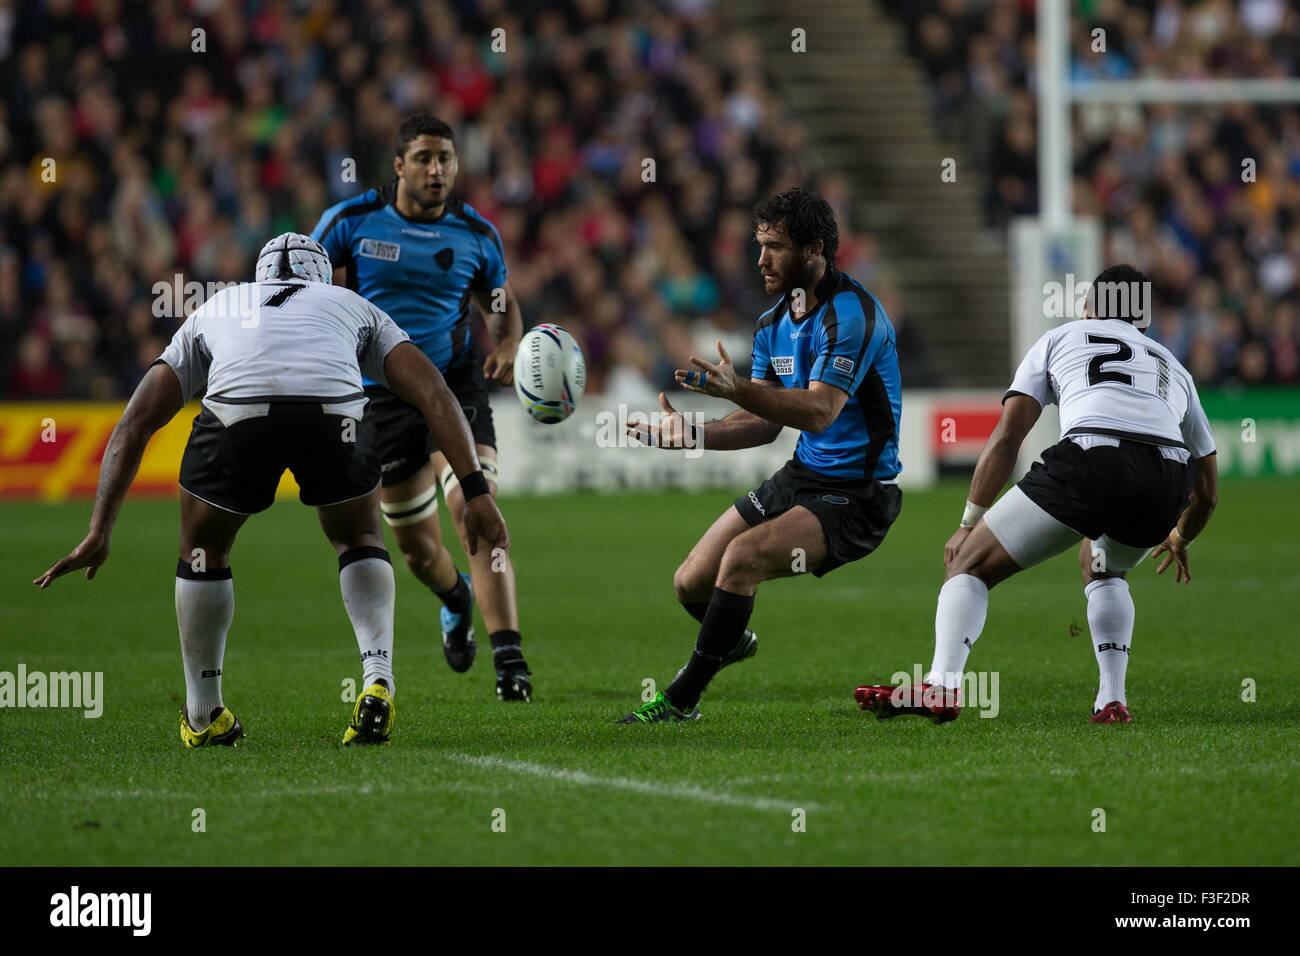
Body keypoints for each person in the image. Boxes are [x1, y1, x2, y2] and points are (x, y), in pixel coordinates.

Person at [33, 234, 509, 747]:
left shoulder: (220, 304)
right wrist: (475, 489)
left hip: (238, 414)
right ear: (322, 277)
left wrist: (100, 528)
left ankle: (203, 713)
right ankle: (377, 678)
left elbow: (135, 424)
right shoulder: (352, 305)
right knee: (358, 537)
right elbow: (434, 392)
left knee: (204, 549)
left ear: (260, 277)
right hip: (336, 417)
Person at [854, 265, 1217, 725]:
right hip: (1167, 478)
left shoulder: (1061, 338)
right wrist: (1181, 537)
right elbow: (1207, 493)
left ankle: (941, 686)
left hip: (1093, 457)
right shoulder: (1174, 368)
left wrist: (969, 522)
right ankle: (1111, 700)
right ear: (1141, 321)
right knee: (1102, 568)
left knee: (968, 565)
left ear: (1089, 308)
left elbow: (1008, 438)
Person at [618, 187, 903, 723]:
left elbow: (819, 411)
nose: (761, 259)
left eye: (774, 246)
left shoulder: (854, 315)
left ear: (815, 249)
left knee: (742, 559)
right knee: (690, 582)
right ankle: (730, 638)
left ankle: (681, 700)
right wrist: (694, 433)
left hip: (859, 493)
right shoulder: (773, 323)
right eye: (759, 245)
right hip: (803, 474)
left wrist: (737, 390)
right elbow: (766, 423)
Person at [311, 114, 533, 702]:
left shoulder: (476, 234)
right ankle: (456, 599)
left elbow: (501, 302)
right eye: (426, 159)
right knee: (415, 550)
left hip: (453, 383)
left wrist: (508, 340)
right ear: (400, 166)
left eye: (447, 160)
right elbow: (299, 284)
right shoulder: (350, 221)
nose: (438, 170)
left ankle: (511, 662)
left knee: (475, 507)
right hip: (377, 395)